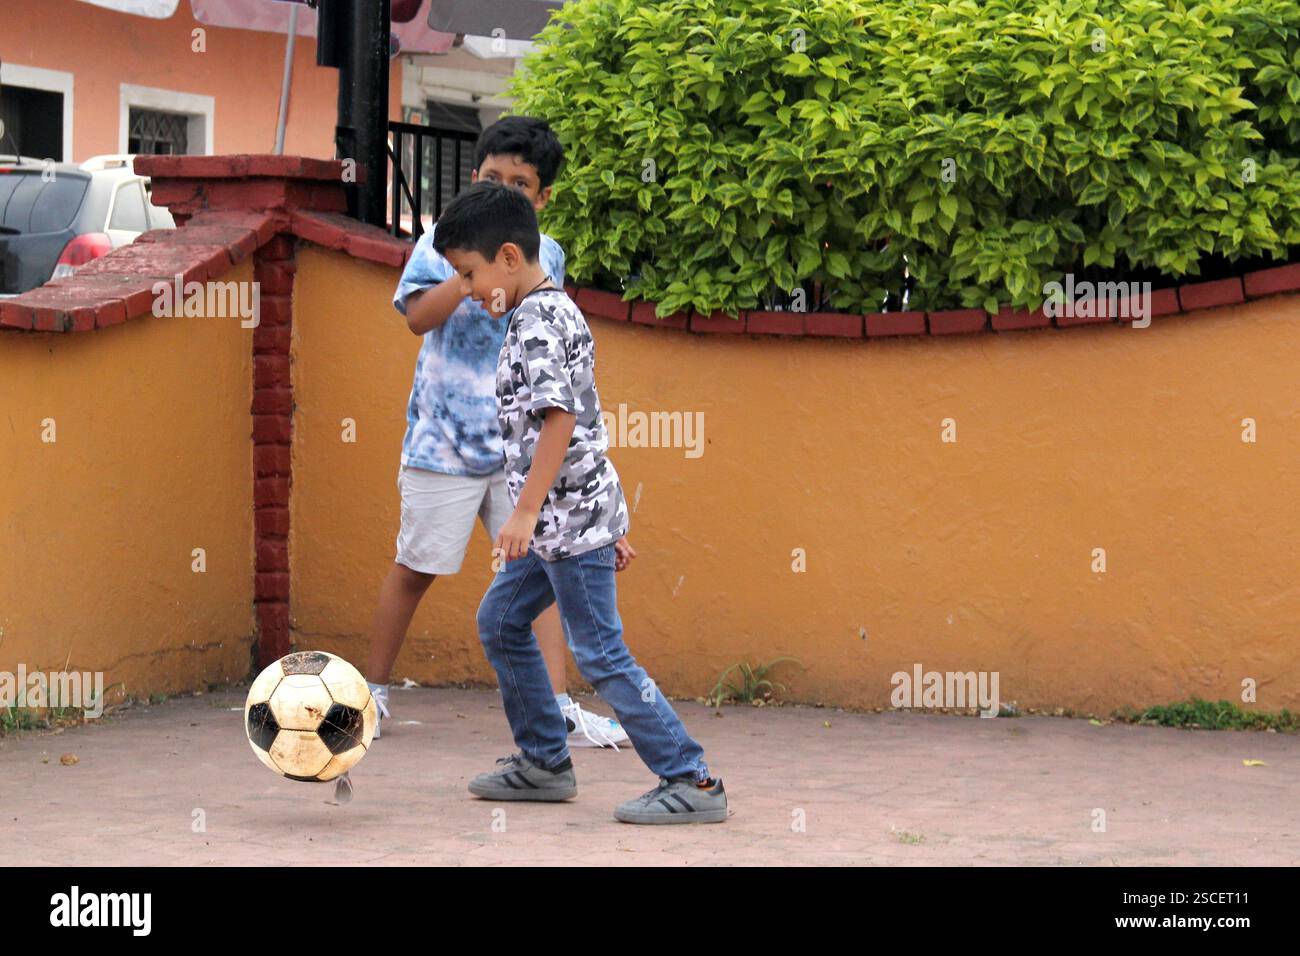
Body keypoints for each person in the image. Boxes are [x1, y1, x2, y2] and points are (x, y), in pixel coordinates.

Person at [432, 181, 729, 823]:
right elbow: (590, 421)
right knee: (503, 622)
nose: (466, 288)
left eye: (468, 273)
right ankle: (545, 762)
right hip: (567, 523)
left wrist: (523, 512)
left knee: (599, 653)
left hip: (561, 525)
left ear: (509, 257)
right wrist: (607, 519)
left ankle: (693, 780)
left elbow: (561, 420)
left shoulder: (537, 321)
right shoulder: (552, 309)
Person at [364, 116, 628, 749]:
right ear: (472, 178)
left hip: (521, 452)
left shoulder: (544, 255)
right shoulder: (440, 243)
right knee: (416, 565)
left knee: (542, 569)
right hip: (443, 445)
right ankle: (370, 694)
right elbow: (416, 321)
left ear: (542, 200)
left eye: (522, 183)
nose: (506, 190)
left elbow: (549, 340)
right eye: (493, 179)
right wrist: (465, 274)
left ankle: (558, 705)